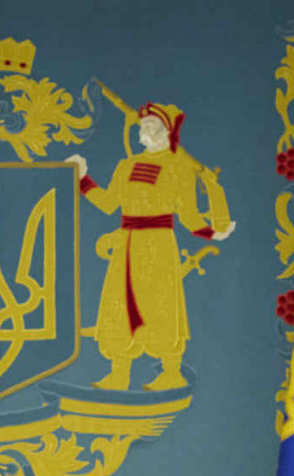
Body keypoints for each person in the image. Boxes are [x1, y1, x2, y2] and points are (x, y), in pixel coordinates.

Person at [68, 103, 233, 391]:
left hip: (159, 244)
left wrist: (213, 232)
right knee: (121, 306)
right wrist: (83, 179)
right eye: (143, 124)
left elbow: (189, 217)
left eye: (151, 124)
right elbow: (108, 204)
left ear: (167, 130)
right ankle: (119, 374)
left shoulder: (180, 168)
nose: (144, 128)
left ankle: (171, 373)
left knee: (160, 307)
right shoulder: (127, 165)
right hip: (128, 244)